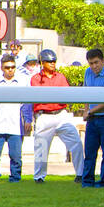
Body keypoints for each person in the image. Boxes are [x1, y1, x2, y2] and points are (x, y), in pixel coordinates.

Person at [29, 48, 84, 183]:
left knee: (76, 142)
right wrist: (53, 96)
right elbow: (39, 97)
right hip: (44, 116)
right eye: (49, 61)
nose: (53, 63)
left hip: (61, 114)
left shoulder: (60, 77)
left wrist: (50, 96)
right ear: (42, 63)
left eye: (54, 61)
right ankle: (39, 177)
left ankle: (81, 174)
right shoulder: (36, 79)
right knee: (41, 147)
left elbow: (64, 97)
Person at [0, 54, 28, 183]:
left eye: (13, 67)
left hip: (15, 125)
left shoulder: (22, 82)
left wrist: (28, 120)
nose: (10, 70)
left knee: (16, 157)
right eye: (7, 67)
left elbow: (26, 104)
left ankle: (15, 179)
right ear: (2, 68)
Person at [80, 47, 104, 188]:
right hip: (92, 119)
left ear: (103, 61)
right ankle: (87, 181)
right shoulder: (87, 73)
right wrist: (86, 110)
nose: (94, 66)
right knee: (89, 152)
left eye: (96, 62)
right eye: (91, 63)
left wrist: (90, 111)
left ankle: (103, 181)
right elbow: (86, 93)